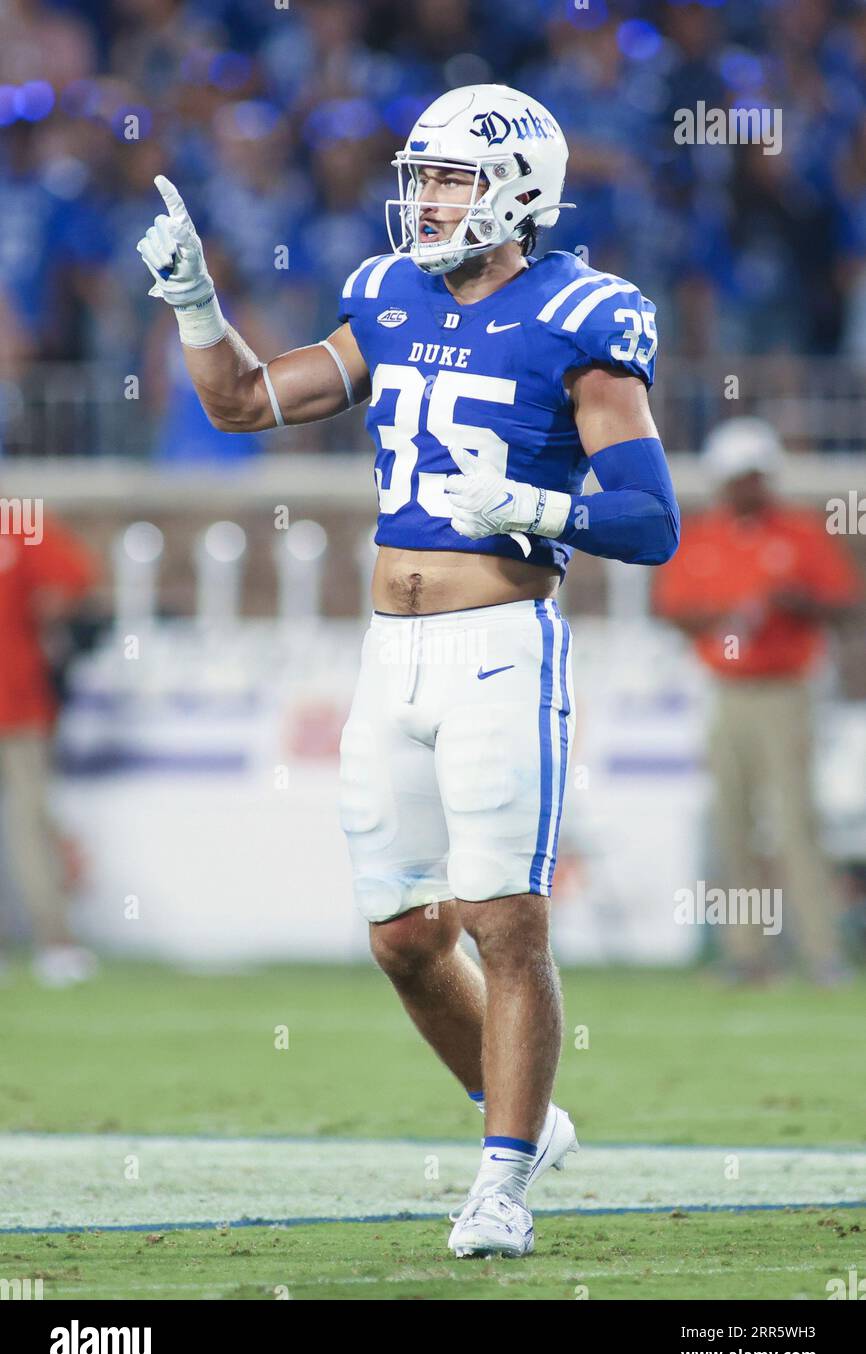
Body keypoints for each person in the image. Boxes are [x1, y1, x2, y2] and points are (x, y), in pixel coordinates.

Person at [137, 83, 679, 1258]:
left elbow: (648, 521)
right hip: (391, 653)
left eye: (449, 178)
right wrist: (193, 301)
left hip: (500, 646)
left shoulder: (582, 314)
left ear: (519, 191)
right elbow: (240, 403)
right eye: (421, 176)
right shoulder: (386, 297)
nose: (424, 200)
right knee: (399, 932)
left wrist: (536, 503)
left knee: (504, 919)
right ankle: (523, 1121)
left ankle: (500, 1182)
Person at [654, 418, 861, 986]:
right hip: (726, 690)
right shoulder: (702, 537)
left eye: (755, 476)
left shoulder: (798, 533)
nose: (748, 486)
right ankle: (747, 954)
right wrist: (720, 617)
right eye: (739, 476)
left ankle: (821, 951)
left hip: (786, 689)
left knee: (797, 820)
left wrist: (800, 603)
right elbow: (671, 608)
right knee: (733, 823)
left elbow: (844, 604)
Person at [0, 504, 99, 985]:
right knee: (30, 824)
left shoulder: (15, 519)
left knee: (32, 825)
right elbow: (75, 578)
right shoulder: (15, 517)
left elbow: (75, 577)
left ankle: (54, 941)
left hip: (19, 701)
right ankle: (54, 945)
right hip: (19, 701)